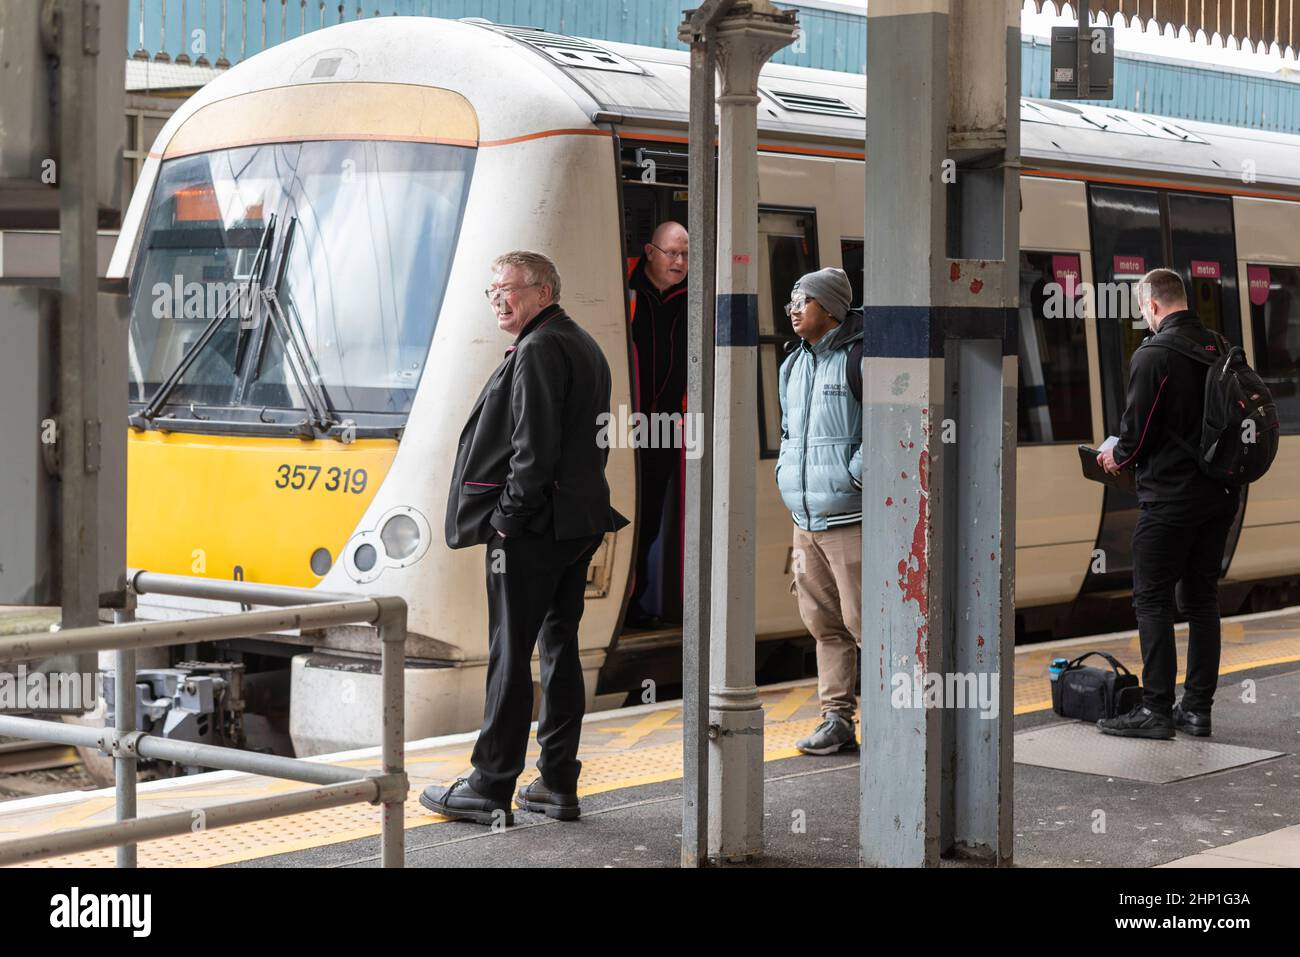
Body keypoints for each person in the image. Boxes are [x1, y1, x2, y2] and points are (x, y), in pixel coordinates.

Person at [426, 251, 628, 825]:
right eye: (491, 292)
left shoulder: (539, 348)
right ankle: (557, 781)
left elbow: (532, 453)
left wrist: (506, 523)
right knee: (560, 649)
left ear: (542, 292)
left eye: (508, 290)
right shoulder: (581, 342)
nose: (498, 300)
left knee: (509, 654)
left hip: (534, 529)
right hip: (577, 522)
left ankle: (490, 784)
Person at [1096, 267, 1240, 740]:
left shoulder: (1154, 355)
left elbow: (1136, 436)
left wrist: (1113, 455)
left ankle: (1156, 710)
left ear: (1153, 305)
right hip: (1219, 494)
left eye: (1142, 309)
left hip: (1171, 500)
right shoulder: (1218, 346)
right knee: (1201, 599)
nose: (1144, 316)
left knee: (1152, 599)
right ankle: (1197, 709)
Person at [774, 267, 865, 755]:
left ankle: (895, 719)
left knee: (865, 624)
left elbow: (889, 428)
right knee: (822, 624)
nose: (792, 309)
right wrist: (786, 478)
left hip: (851, 519)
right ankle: (836, 719)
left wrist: (854, 476)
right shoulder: (793, 364)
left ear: (829, 309)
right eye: (791, 300)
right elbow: (791, 434)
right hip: (804, 521)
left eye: (802, 301)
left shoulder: (859, 358)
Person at [624, 221, 689, 630]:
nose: (680, 262)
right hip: (617, 423)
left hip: (666, 424)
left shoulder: (694, 296)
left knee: (648, 517)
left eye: (685, 255)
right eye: (672, 253)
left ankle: (635, 602)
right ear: (650, 251)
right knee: (623, 511)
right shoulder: (623, 288)